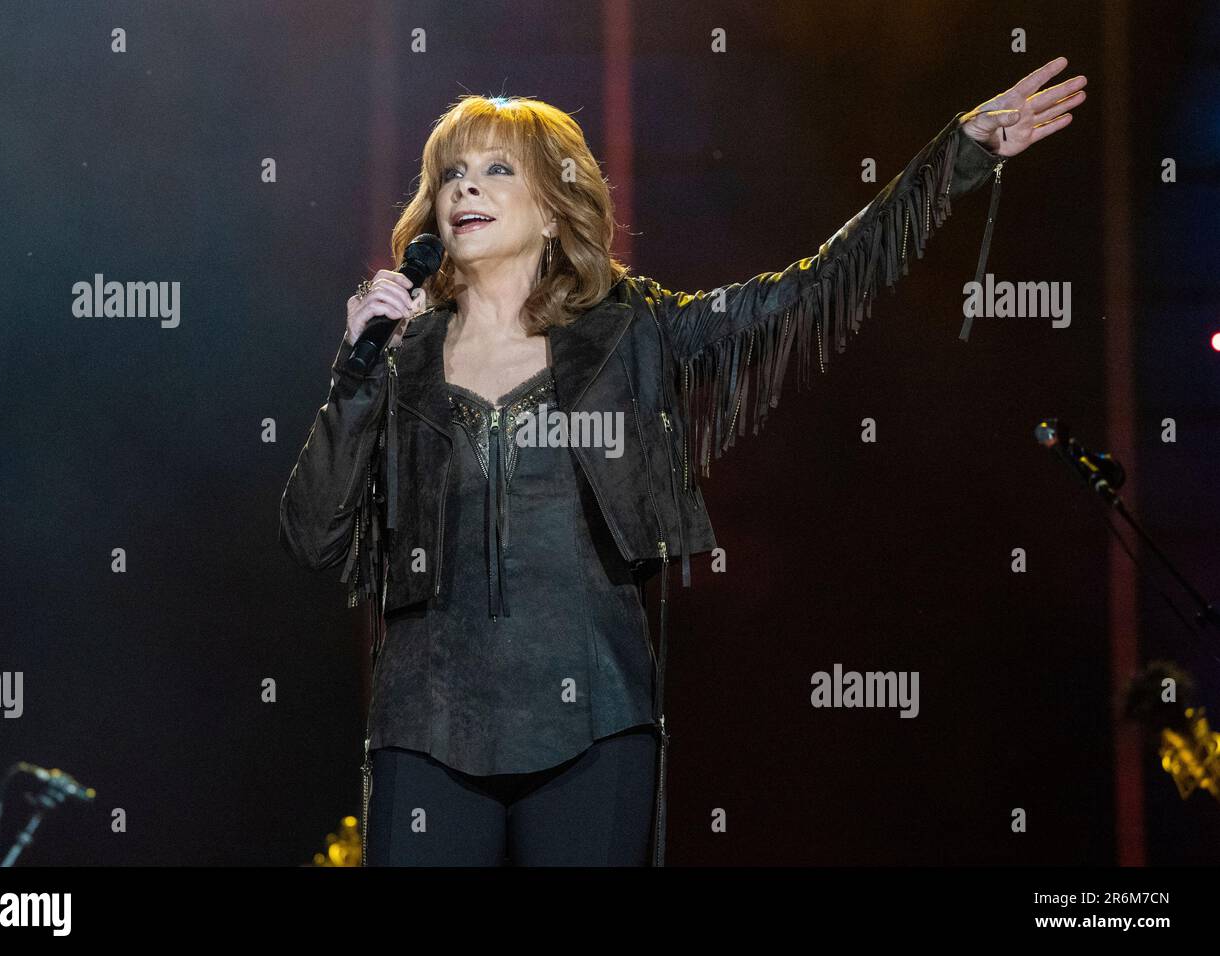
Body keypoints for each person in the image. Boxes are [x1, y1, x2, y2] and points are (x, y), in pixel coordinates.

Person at [279, 59, 1087, 866]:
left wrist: (953, 158)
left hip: (593, 725)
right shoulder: (398, 356)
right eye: (452, 174)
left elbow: (809, 290)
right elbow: (313, 535)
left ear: (556, 206)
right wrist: (351, 374)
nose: (466, 190)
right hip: (426, 728)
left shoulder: (629, 331)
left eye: (497, 170)